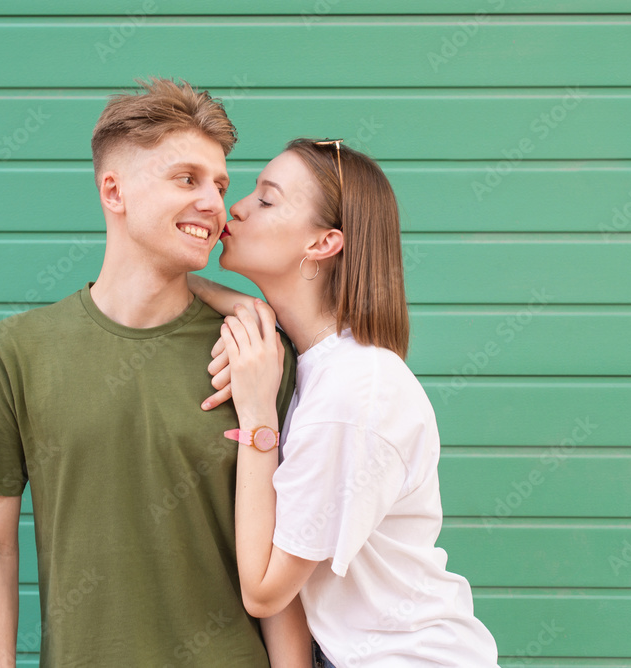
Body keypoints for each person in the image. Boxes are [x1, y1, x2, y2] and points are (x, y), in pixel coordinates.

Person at [0, 78, 312, 667]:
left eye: (220, 184)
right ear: (114, 191)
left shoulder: (254, 353)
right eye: (186, 179)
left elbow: (282, 559)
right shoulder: (15, 352)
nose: (215, 204)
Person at [188, 139, 500, 667]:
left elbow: (264, 591)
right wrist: (235, 300)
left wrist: (259, 418)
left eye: (267, 200)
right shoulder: (321, 362)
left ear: (324, 242)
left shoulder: (351, 396)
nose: (235, 207)